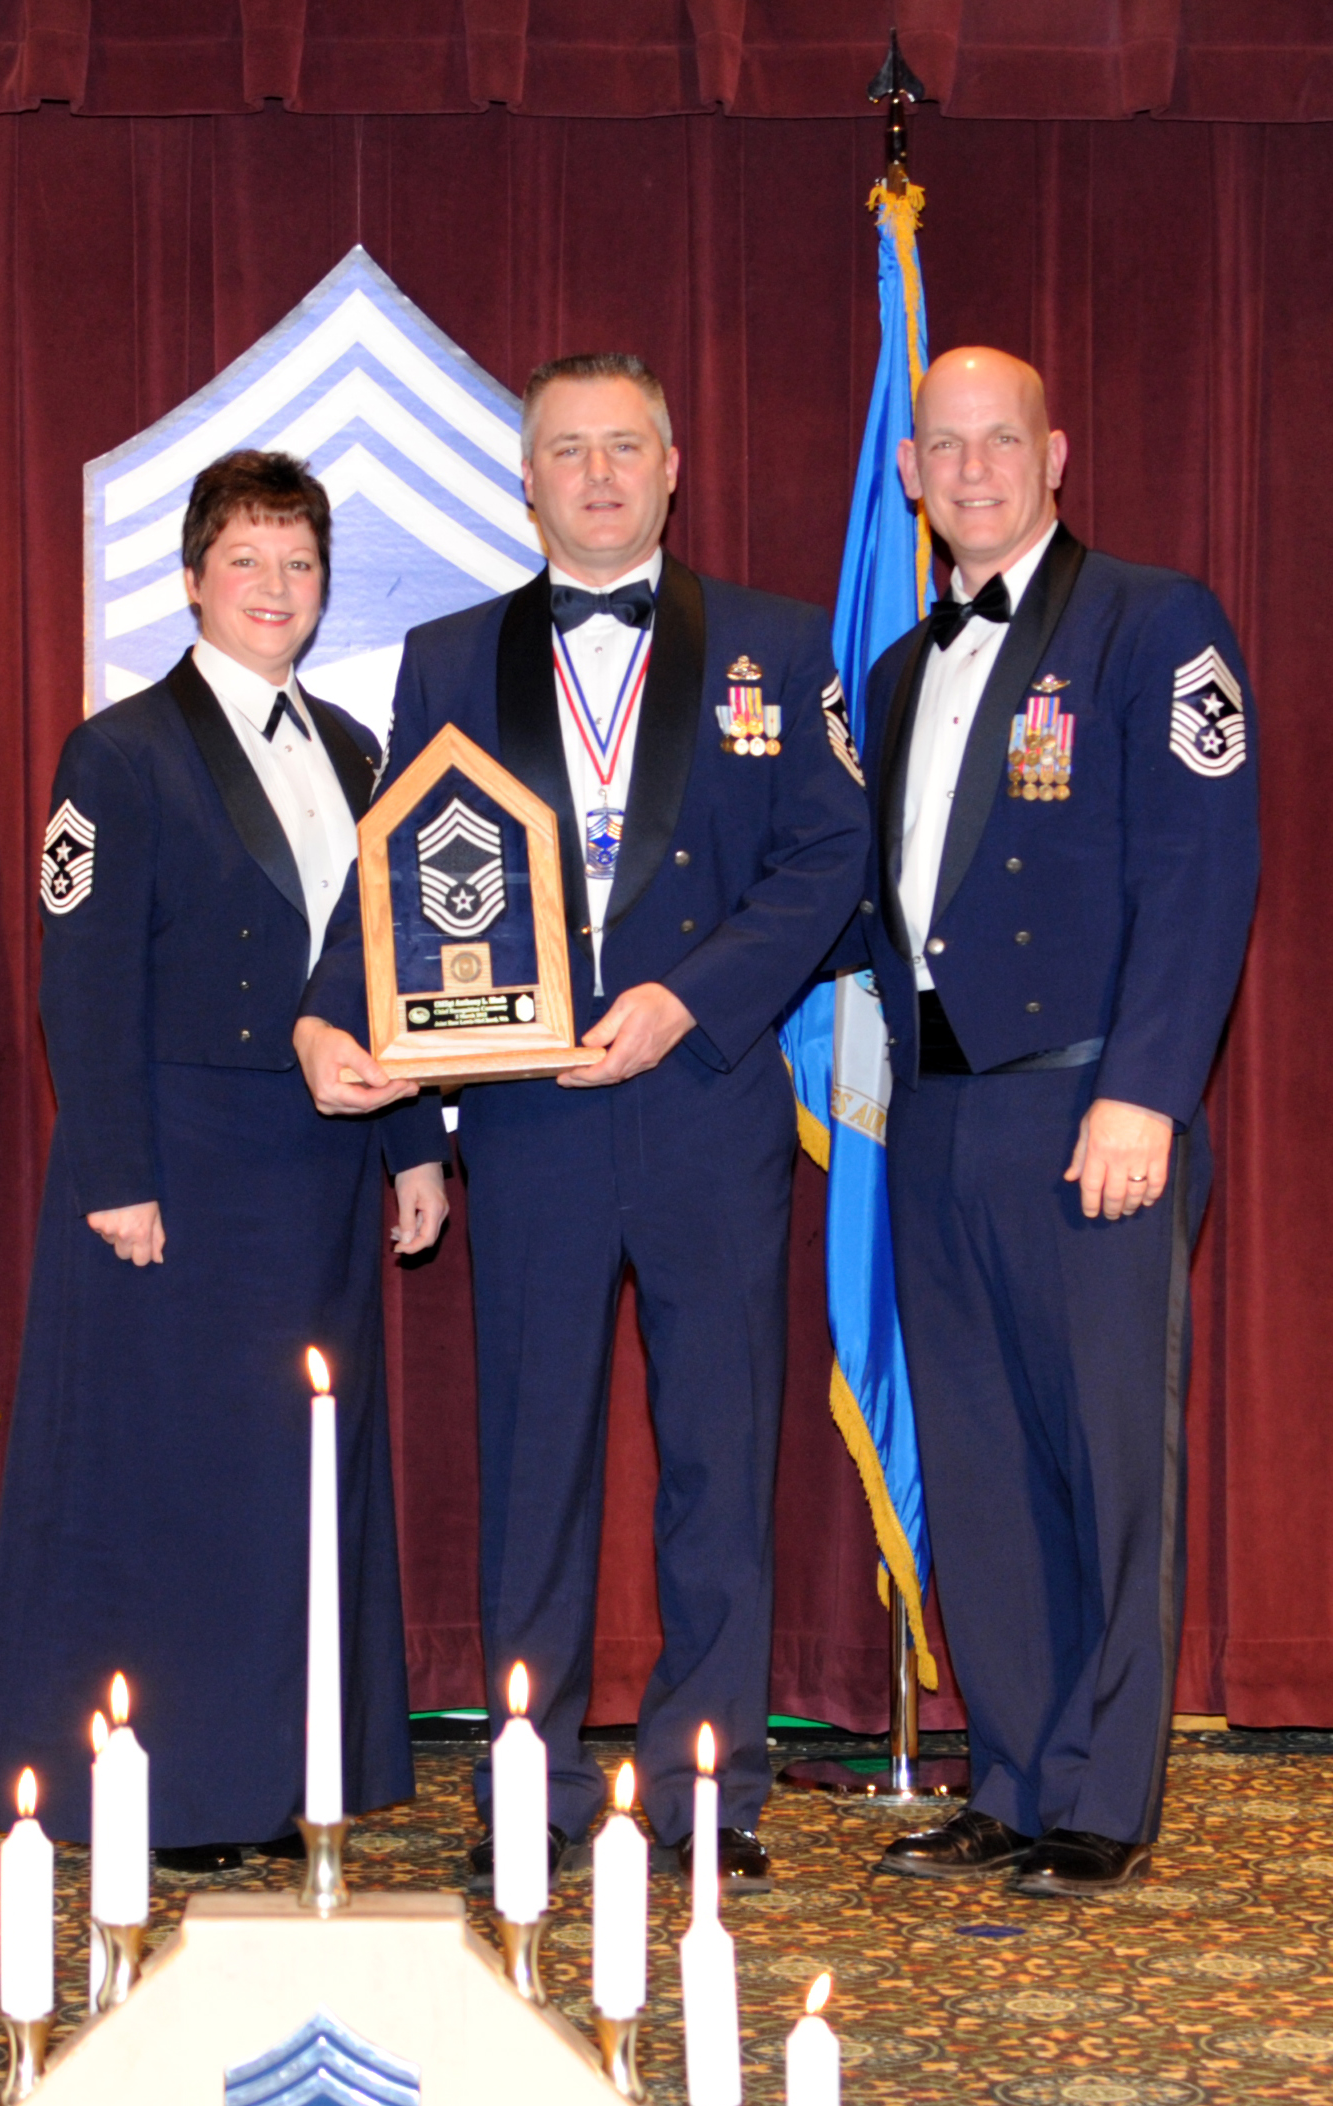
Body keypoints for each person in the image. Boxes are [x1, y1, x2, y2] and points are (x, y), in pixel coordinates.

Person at [296, 354, 869, 1888]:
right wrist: (357, 1054)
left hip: (705, 1104)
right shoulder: (443, 656)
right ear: (526, 479)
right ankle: (524, 1789)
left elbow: (831, 855)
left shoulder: (774, 641)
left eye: (626, 447)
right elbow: (393, 875)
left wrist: (692, 998)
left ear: (675, 465)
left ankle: (710, 1792)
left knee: (718, 1453)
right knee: (532, 1460)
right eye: (569, 451)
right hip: (529, 1123)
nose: (600, 474)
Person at [0, 451, 448, 1866]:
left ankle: (287, 1772)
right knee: (170, 1477)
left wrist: (416, 1147)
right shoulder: (116, 752)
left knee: (292, 1474)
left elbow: (389, 966)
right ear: (192, 579)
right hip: (171, 1168)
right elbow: (82, 979)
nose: (274, 588)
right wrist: (116, 1173)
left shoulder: (360, 751)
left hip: (320, 1171)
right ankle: (165, 1794)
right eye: (246, 561)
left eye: (298, 564)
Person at [849, 349, 1258, 1895]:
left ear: (1055, 451)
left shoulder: (1154, 623)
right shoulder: (897, 675)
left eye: (998, 440)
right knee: (982, 1465)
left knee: (1105, 1464)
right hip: (941, 1123)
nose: (970, 470)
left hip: (1095, 1112)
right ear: (909, 473)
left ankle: (1101, 1798)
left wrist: (1146, 1088)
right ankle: (1013, 1773)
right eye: (941, 447)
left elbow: (1203, 872)